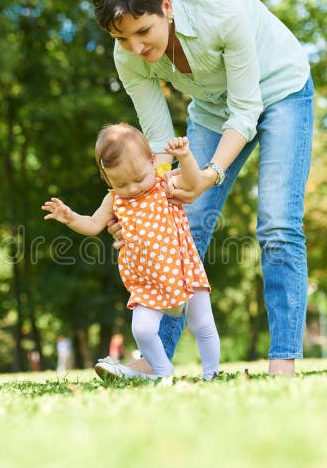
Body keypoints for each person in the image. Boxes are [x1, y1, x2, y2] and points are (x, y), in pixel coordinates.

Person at [90, 0, 314, 377]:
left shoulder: (220, 10)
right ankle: (155, 360)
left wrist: (210, 173)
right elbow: (158, 143)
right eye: (122, 39)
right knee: (183, 221)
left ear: (166, 7)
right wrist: (141, 211)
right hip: (212, 112)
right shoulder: (128, 56)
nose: (135, 47)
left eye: (143, 32)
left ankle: (283, 361)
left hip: (281, 91)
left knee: (278, 223)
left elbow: (246, 110)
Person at [42, 123, 220, 381]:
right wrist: (70, 217)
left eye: (138, 179)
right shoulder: (114, 199)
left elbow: (193, 182)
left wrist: (185, 157)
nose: (133, 188)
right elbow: (93, 224)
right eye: (121, 183)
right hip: (146, 279)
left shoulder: (163, 182)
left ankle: (212, 374)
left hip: (183, 268)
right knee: (142, 330)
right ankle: (163, 372)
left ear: (152, 161)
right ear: (108, 179)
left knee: (202, 323)